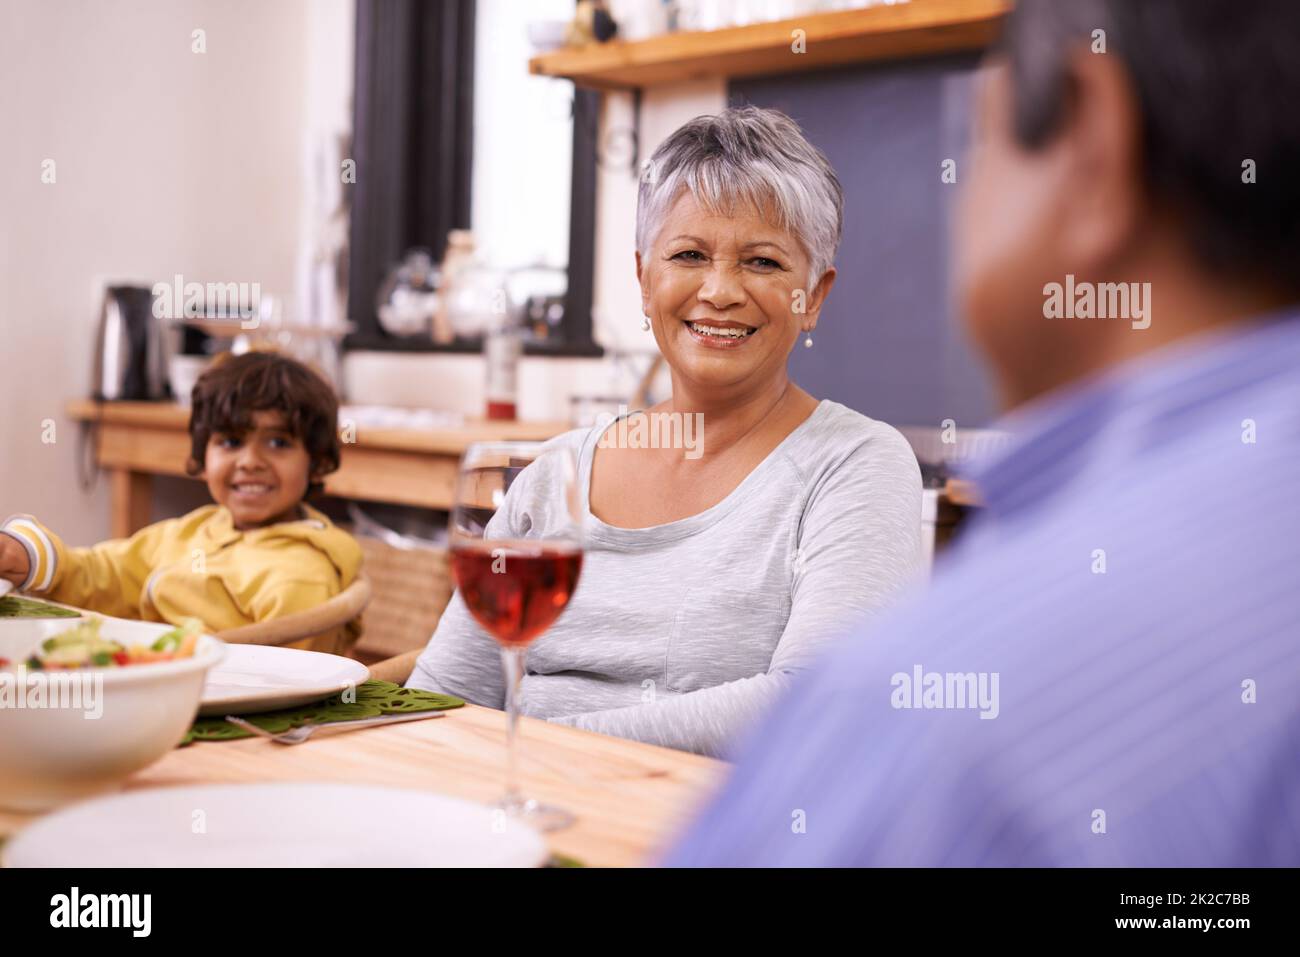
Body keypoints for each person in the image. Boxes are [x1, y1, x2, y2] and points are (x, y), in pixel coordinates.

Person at [665, 0, 1300, 865]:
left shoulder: (925, 718)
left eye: (979, 143)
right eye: (688, 255)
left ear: (1091, 139)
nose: (720, 289)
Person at [407, 107, 923, 757]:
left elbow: (818, 701)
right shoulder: (555, 471)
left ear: (813, 296)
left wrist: (530, 747)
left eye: (762, 262)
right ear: (644, 279)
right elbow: (446, 693)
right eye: (688, 255)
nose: (720, 290)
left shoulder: (857, 465)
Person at [0, 352, 364, 654]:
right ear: (203, 456)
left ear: (315, 460)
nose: (250, 461)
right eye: (231, 441)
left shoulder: (301, 575)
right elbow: (105, 572)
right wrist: (30, 556)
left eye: (279, 443)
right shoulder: (195, 529)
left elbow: (291, 684)